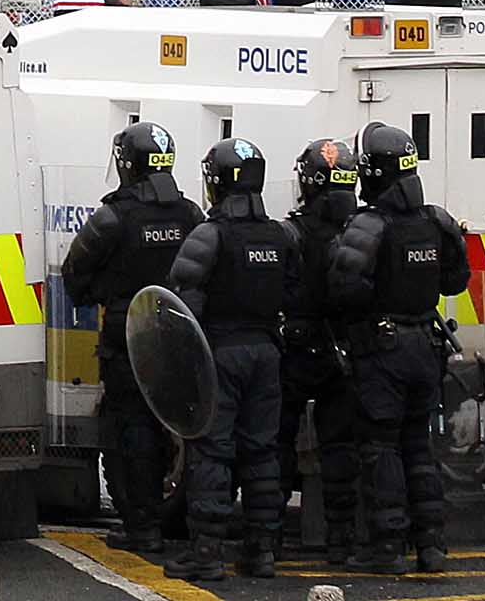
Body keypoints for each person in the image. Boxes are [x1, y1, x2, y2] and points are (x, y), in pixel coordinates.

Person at [326, 122, 470, 574]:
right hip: (426, 347)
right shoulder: (437, 221)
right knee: (420, 447)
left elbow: (344, 289)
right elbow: (456, 280)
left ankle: (387, 547)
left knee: (380, 447)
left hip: (384, 351)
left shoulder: (369, 225)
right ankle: (431, 545)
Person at [59, 122, 201, 555]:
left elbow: (74, 273)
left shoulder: (114, 216)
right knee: (179, 426)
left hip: (128, 336)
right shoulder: (190, 213)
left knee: (129, 428)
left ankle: (142, 527)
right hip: (181, 334)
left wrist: (102, 294)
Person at [165, 138, 295, 580]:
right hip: (266, 355)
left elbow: (182, 308)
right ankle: (261, 552)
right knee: (262, 453)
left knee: (212, 452)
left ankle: (206, 553)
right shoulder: (280, 235)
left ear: (216, 183)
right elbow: (294, 293)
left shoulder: (209, 235)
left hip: (221, 354)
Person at [278, 139, 363, 564]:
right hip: (345, 352)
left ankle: (266, 541)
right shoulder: (364, 231)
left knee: (274, 446)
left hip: (295, 348)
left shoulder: (291, 232)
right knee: (341, 448)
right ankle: (342, 541)